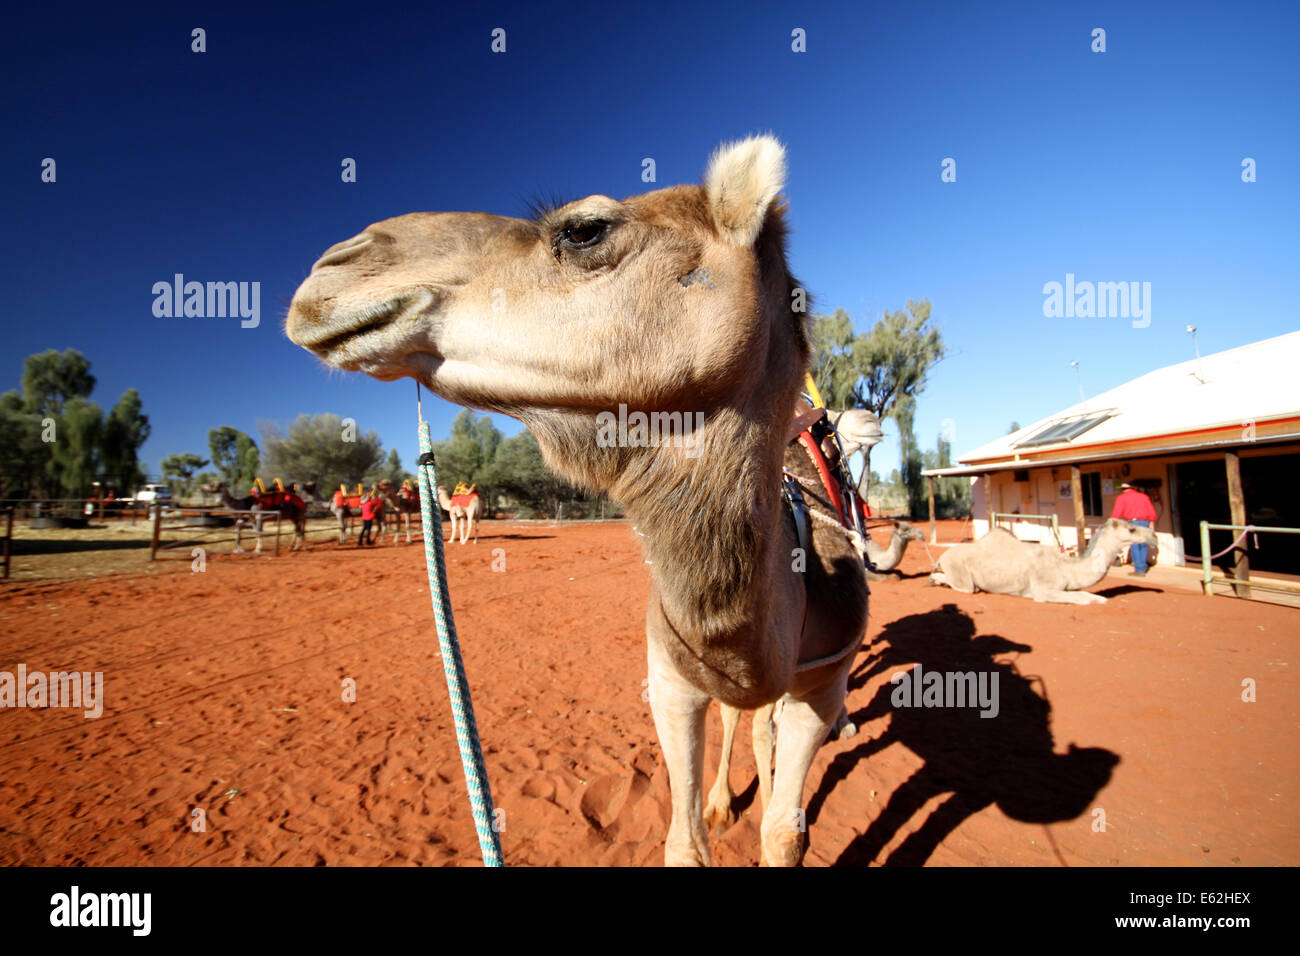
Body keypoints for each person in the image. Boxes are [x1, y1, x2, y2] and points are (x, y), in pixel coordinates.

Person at [1110, 481, 1157, 575]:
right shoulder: (1144, 497)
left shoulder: (1121, 498)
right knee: (1143, 544)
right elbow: (1151, 511)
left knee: (1135, 545)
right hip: (1144, 522)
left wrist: (1112, 523)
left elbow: (1117, 513)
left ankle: (1139, 569)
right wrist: (1151, 523)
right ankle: (1142, 567)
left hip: (1132, 522)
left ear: (1123, 489)